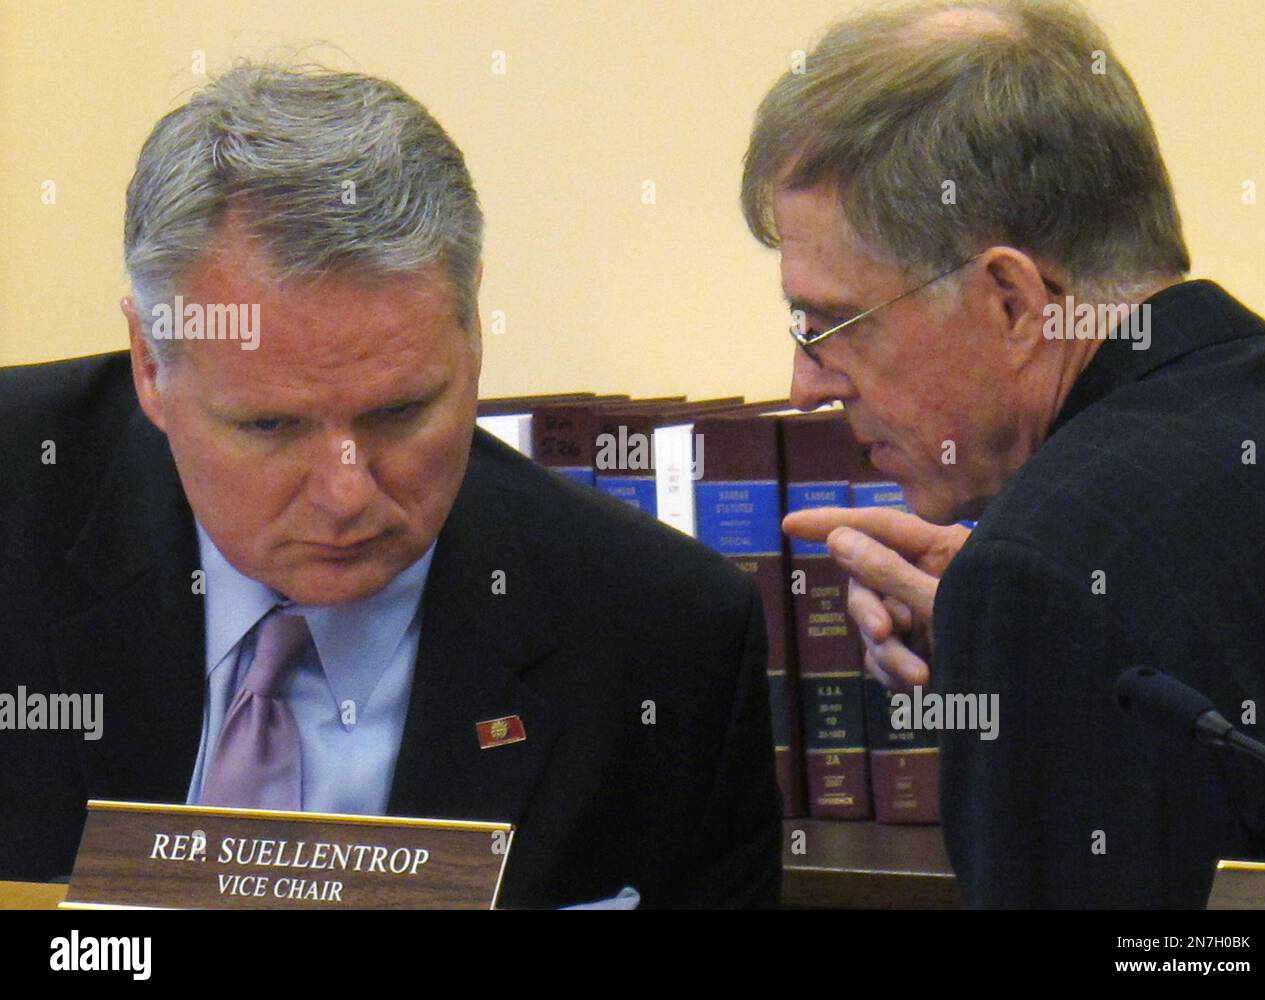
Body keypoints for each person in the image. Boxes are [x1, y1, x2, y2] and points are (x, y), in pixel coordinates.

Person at [0, 65, 782, 909]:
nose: (347, 495)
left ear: (474, 336)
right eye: (271, 427)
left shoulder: (663, 636)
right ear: (152, 364)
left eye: (401, 412)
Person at [743, 0, 1265, 907]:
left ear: (1009, 300)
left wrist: (1035, 610)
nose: (809, 385)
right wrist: (1011, 631)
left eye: (830, 325)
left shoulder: (1044, 572)